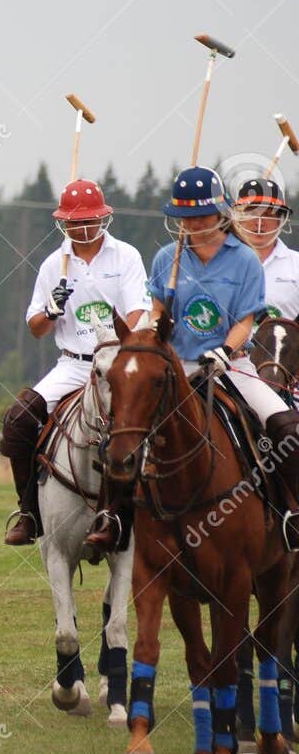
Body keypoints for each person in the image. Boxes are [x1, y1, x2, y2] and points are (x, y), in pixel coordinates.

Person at [86, 165, 299, 551]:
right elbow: (155, 313)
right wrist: (152, 333)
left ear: (220, 213)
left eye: (200, 215)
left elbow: (246, 321)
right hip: (177, 365)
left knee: (284, 425)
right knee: (124, 427)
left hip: (232, 365)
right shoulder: (168, 258)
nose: (193, 224)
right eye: (185, 217)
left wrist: (225, 350)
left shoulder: (245, 260)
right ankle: (114, 515)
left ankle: (289, 511)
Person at [0, 181, 149, 545]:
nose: (81, 229)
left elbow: (139, 312)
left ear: (103, 218)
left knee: (146, 427)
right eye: (74, 222)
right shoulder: (55, 264)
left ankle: (146, 512)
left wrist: (121, 347)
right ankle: (29, 511)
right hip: (72, 365)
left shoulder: (125, 256)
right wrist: (51, 309)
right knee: (18, 420)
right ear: (63, 223)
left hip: (115, 362)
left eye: (89, 221)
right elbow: (36, 327)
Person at [232, 178, 299, 318]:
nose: (259, 223)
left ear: (280, 220)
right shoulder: (222, 263)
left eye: (267, 215)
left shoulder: (296, 265)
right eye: (252, 213)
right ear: (239, 217)